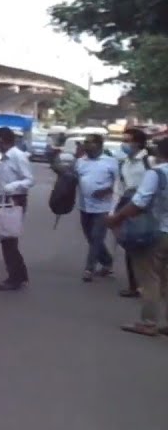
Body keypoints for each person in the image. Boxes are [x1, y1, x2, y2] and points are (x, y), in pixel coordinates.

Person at [105, 135, 168, 337]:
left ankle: (149, 323)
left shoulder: (156, 174)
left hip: (156, 231)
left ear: (160, 153)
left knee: (150, 278)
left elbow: (139, 202)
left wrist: (117, 218)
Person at [0, 126, 34, 291]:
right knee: (7, 239)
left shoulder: (17, 156)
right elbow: (5, 172)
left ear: (2, 141)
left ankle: (14, 278)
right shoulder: (6, 157)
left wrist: (11, 186)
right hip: (5, 200)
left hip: (15, 200)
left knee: (8, 241)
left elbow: (29, 180)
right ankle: (21, 275)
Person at [75, 133, 120, 281]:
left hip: (103, 207)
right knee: (91, 237)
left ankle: (89, 269)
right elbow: (73, 178)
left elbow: (119, 183)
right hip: (85, 206)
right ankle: (107, 262)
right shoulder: (81, 161)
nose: (86, 145)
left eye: (89, 142)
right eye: (85, 142)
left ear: (99, 145)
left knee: (96, 237)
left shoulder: (111, 162)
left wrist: (106, 190)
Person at [116, 128, 151, 297]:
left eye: (128, 140)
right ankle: (134, 285)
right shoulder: (124, 163)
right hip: (129, 207)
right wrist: (113, 212)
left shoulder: (149, 161)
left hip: (148, 210)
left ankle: (149, 286)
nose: (124, 144)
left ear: (138, 142)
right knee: (130, 244)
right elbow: (119, 188)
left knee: (148, 247)